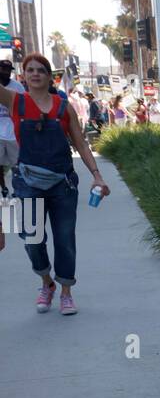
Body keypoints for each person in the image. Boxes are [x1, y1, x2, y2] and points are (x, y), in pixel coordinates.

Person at [0, 52, 111, 313]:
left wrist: (96, 174)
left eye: (41, 70)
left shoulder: (64, 107)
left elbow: (81, 143)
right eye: (30, 70)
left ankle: (66, 292)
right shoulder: (16, 101)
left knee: (64, 240)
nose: (35, 73)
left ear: (50, 77)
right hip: (27, 183)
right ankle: (46, 282)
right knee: (32, 239)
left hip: (62, 184)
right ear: (23, 77)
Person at [0, 57, 25, 198]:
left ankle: (17, 189)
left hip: (13, 134)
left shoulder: (17, 87)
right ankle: (3, 188)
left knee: (17, 165)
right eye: (3, 69)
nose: (6, 72)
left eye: (9, 70)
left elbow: (24, 105)